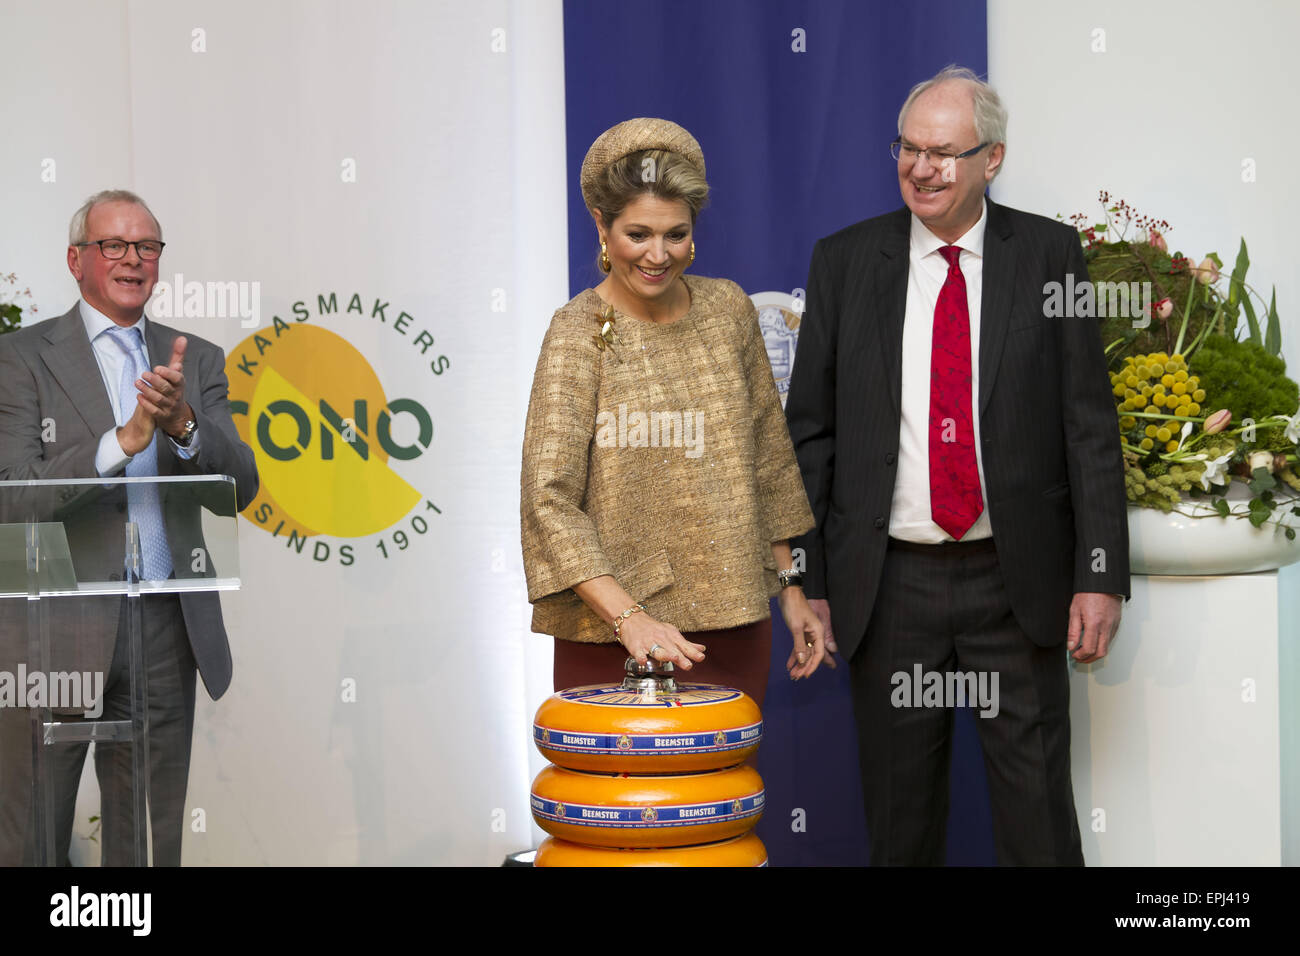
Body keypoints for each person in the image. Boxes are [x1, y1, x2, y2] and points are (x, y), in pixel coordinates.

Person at [785, 67, 1130, 865]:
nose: (921, 168)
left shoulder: (1050, 255)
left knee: (1039, 824)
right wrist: (811, 580)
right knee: (901, 830)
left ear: (992, 159)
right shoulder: (843, 261)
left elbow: (1088, 423)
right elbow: (812, 436)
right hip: (890, 584)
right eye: (908, 148)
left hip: (1018, 583)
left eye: (944, 152)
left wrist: (1100, 573)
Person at [521, 118, 825, 706]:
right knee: (629, 797)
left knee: (725, 793)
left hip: (734, 622)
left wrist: (790, 588)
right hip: (611, 636)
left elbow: (766, 459)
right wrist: (629, 619)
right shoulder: (576, 332)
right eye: (638, 234)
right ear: (602, 230)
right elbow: (547, 500)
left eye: (675, 234)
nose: (658, 256)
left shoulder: (728, 309)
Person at [0, 189, 259, 865]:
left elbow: (242, 489)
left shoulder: (195, 360)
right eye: (113, 244)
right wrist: (124, 440)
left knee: (148, 840)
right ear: (76, 260)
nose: (133, 260)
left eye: (147, 246)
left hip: (165, 632)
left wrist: (185, 427)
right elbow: (12, 497)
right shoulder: (20, 358)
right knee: (34, 837)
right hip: (52, 634)